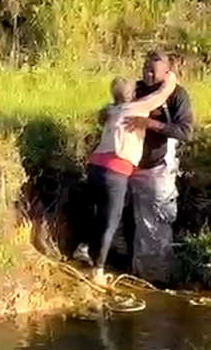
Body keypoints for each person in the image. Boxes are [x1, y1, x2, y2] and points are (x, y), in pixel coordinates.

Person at [74, 71, 178, 286]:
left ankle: (82, 248)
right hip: (116, 170)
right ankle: (98, 272)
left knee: (97, 212)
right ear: (132, 94)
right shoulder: (136, 108)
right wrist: (171, 78)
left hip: (95, 166)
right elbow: (159, 96)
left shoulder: (111, 110)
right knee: (110, 220)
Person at [123, 51, 193, 285]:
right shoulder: (137, 91)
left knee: (156, 227)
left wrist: (150, 123)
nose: (147, 74)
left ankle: (157, 281)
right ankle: (131, 273)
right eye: (145, 68)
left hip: (158, 169)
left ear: (167, 73)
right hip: (130, 166)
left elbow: (185, 132)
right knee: (129, 221)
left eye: (153, 71)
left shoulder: (177, 95)